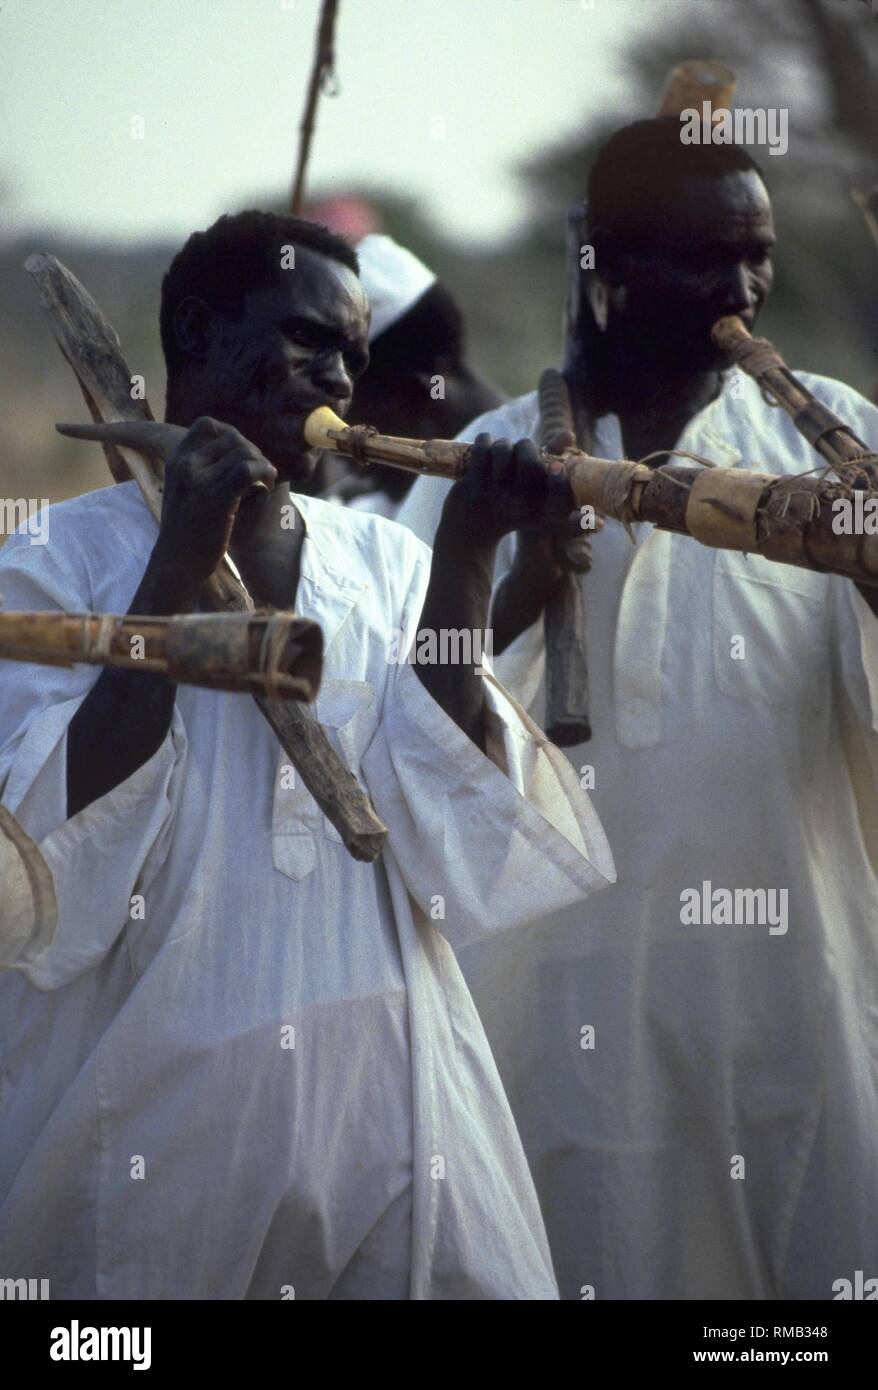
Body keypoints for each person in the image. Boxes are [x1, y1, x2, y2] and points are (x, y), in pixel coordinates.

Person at [0, 211, 615, 1300]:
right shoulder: (48, 563)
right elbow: (43, 863)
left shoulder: (382, 555)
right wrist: (175, 567)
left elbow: (454, 823)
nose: (336, 375)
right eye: (307, 341)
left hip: (395, 1105)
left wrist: (466, 557)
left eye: (354, 357)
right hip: (148, 1124)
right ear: (195, 331)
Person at [396, 118, 878, 1300]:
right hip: (559, 998)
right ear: (601, 265)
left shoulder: (836, 440)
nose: (743, 289)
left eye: (756, 255)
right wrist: (502, 575)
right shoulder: (488, 459)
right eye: (704, 257)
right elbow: (403, 723)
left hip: (789, 987)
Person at [325, 234, 503, 517]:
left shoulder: (564, 478)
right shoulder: (364, 513)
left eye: (346, 421)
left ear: (413, 393)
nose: (336, 450)